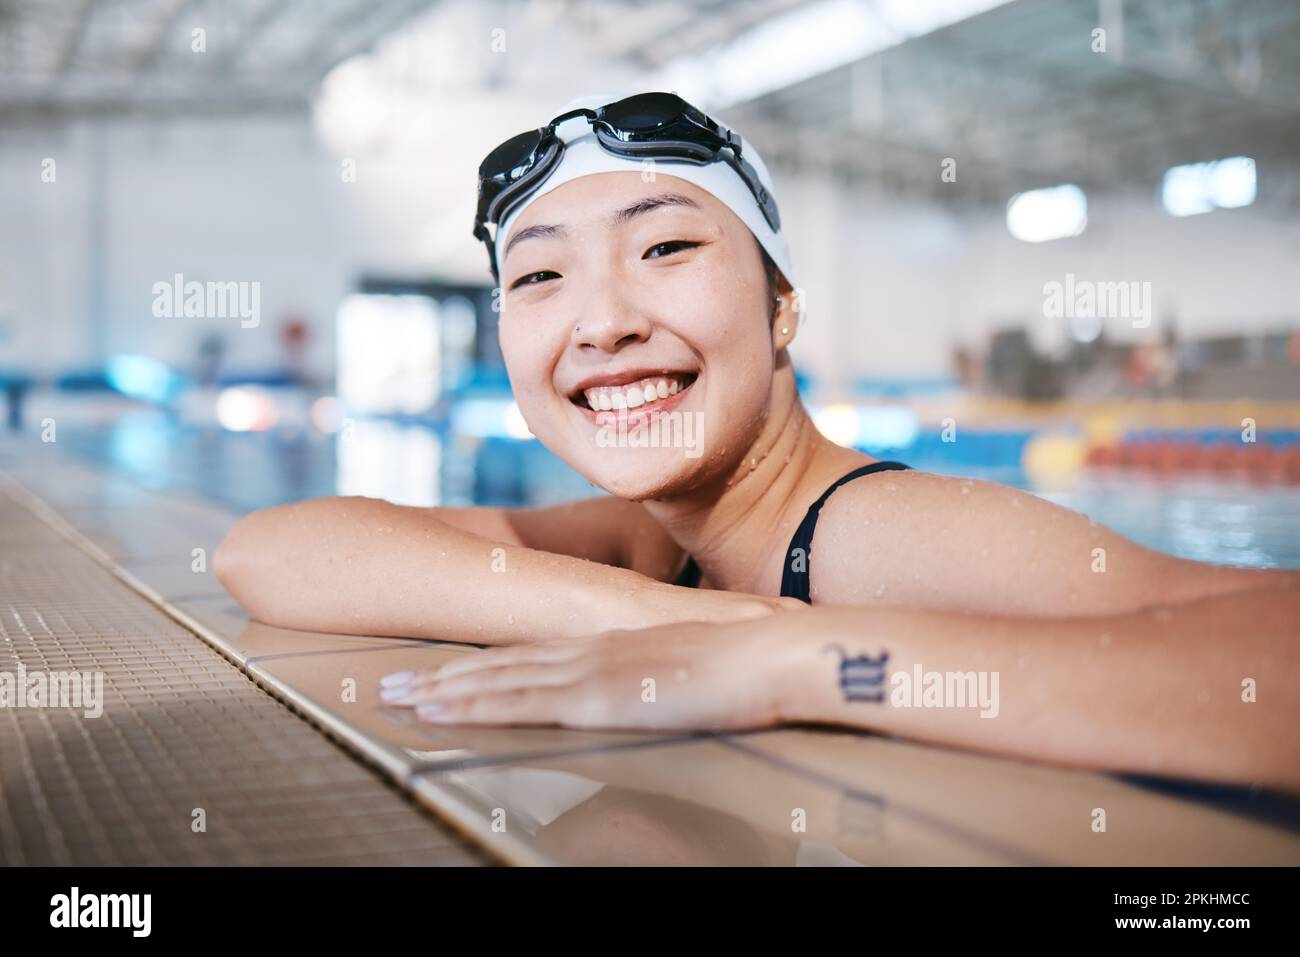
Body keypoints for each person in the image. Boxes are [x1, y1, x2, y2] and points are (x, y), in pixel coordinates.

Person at [214, 93, 1299, 792]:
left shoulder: (873, 535)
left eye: (667, 247)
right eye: (539, 274)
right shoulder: (648, 545)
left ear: (783, 307)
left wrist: (787, 658)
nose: (601, 322)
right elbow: (266, 551)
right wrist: (648, 613)